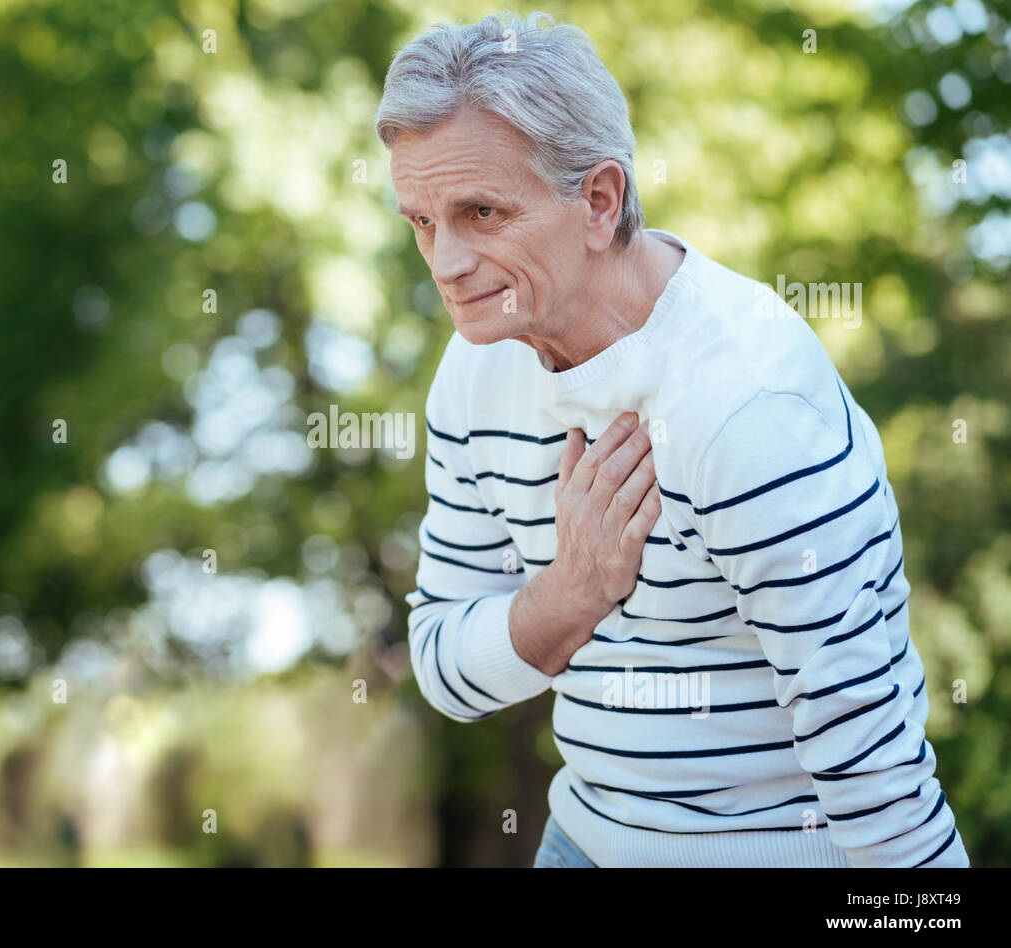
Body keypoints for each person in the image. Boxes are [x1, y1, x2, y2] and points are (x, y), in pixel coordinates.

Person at [375, 10, 969, 867]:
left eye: (480, 212)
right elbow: (442, 667)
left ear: (600, 200)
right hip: (585, 838)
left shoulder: (750, 407)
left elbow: (875, 773)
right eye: (422, 220)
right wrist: (572, 594)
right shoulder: (474, 375)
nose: (445, 262)